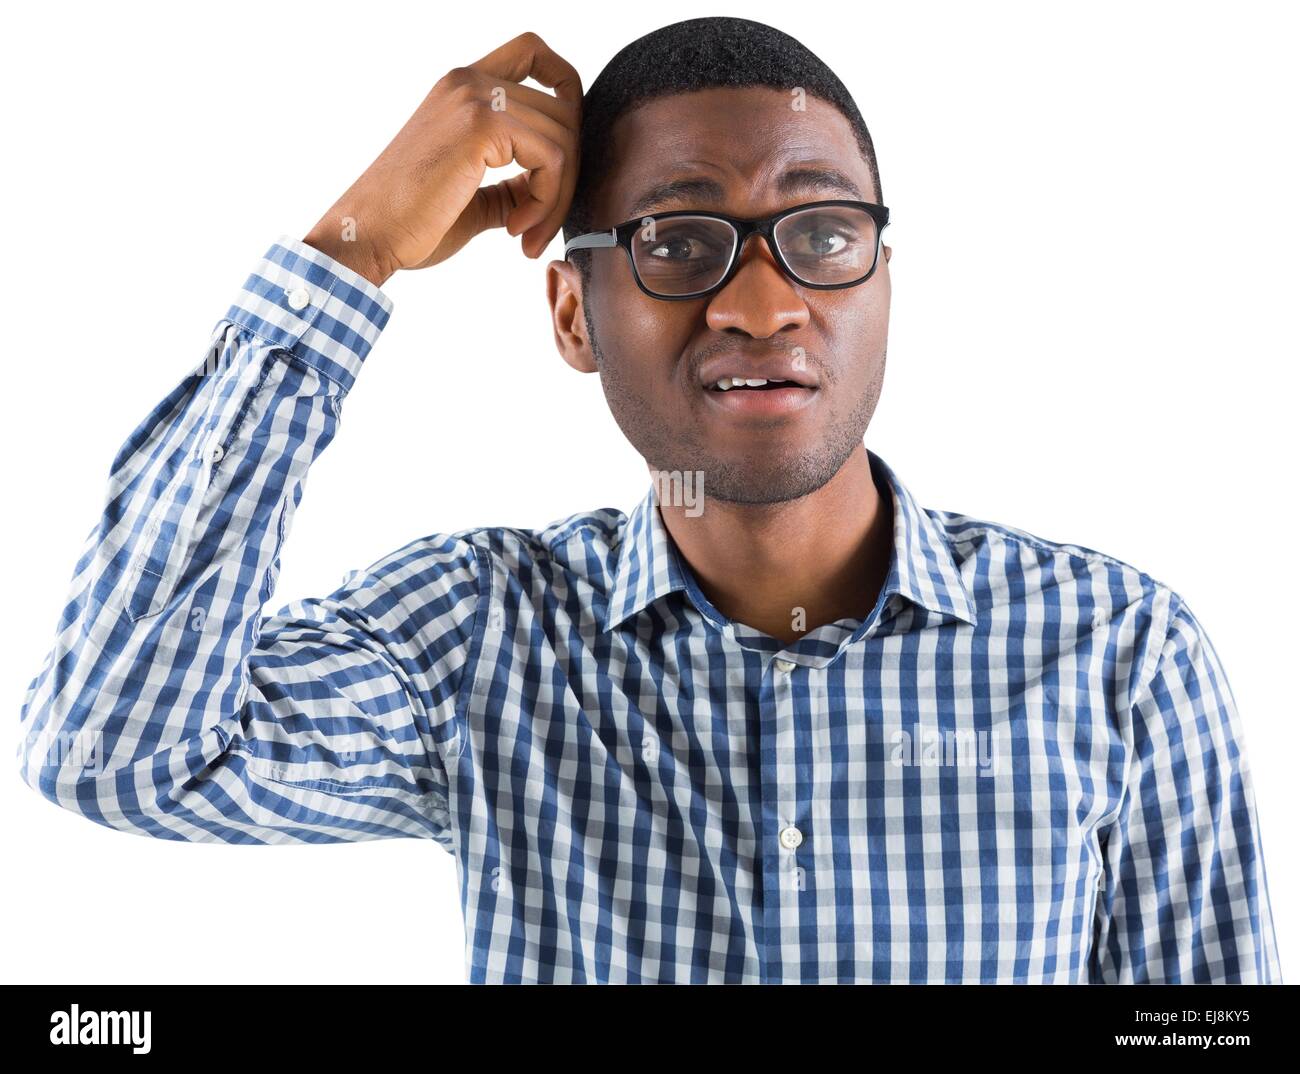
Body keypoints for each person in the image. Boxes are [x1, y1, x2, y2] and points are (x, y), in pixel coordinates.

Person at [18, 17, 1280, 984]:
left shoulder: (1118, 649)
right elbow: (112, 755)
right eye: (678, 245)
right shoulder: (481, 638)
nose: (761, 303)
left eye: (821, 235)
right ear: (575, 315)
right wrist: (354, 247)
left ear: (883, 283)